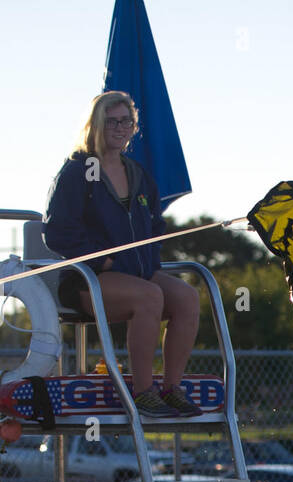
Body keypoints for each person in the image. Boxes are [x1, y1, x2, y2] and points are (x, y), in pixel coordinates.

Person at [44, 90, 201, 418]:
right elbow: (57, 231)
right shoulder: (79, 171)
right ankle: (143, 393)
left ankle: (171, 388)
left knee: (187, 297)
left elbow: (155, 225)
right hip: (88, 279)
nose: (119, 127)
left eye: (126, 121)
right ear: (95, 125)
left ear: (134, 126)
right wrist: (103, 261)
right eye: (111, 121)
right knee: (149, 297)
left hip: (138, 272)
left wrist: (149, 259)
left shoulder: (138, 174)